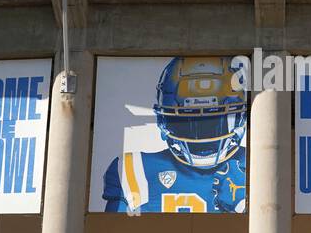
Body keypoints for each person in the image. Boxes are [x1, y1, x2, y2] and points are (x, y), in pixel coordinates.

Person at [102, 57, 248, 213]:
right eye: (186, 120)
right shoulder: (135, 169)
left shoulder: (259, 166)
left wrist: (246, 206)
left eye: (212, 122)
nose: (201, 135)